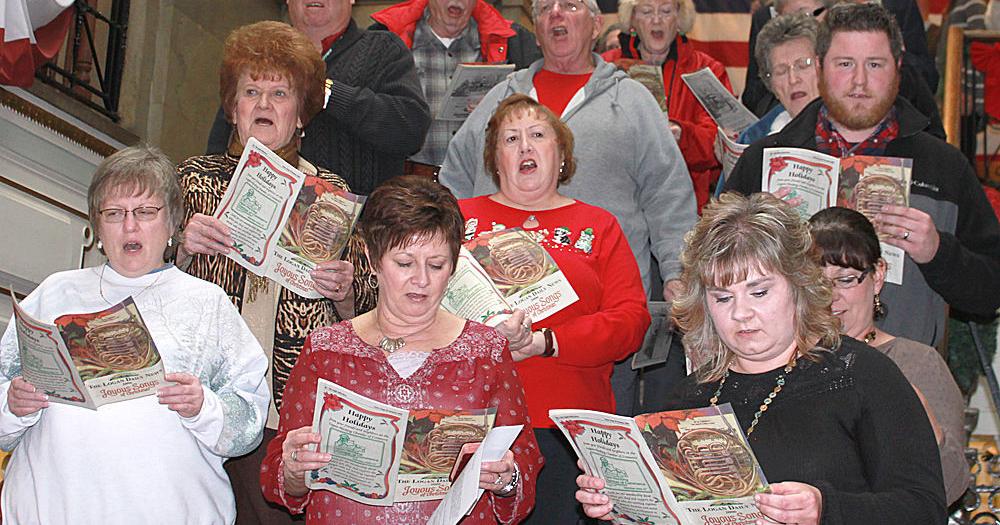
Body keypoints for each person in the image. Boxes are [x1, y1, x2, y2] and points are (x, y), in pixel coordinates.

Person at [576, 192, 947, 525]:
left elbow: (923, 508)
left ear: (799, 286)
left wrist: (826, 510)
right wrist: (623, 508)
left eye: (759, 292)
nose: (741, 314)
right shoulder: (688, 400)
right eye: (722, 298)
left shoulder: (860, 373)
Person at [439, 0, 697, 417]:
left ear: (597, 24)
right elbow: (450, 185)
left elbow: (670, 195)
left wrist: (678, 275)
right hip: (487, 336)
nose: (556, 14)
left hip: (598, 331)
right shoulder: (499, 98)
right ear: (534, 28)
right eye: (544, 9)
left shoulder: (632, 100)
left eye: (571, 5)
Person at [0, 145, 270, 524]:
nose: (130, 226)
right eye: (114, 214)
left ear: (173, 221)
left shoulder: (207, 303)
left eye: (145, 212)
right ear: (96, 225)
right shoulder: (55, 292)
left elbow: (248, 424)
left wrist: (202, 406)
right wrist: (14, 405)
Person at [176, 21, 376, 524]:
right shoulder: (192, 180)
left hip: (289, 407)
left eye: (279, 92)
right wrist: (178, 247)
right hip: (198, 398)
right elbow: (135, 274)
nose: (264, 103)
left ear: (301, 112)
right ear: (233, 108)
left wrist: (347, 293)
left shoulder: (332, 192)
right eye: (251, 91)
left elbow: (373, 306)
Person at [260, 176, 541, 523]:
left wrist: (507, 479)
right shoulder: (327, 349)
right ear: (373, 258)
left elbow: (525, 462)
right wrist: (293, 470)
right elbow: (279, 478)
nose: (421, 280)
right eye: (405, 263)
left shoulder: (486, 351)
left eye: (436, 265)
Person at [724, 2, 1000, 348]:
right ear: (821, 68)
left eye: (874, 64)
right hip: (783, 377)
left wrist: (938, 252)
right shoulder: (763, 161)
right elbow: (716, 273)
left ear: (898, 68)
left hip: (900, 381)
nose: (859, 81)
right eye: (845, 64)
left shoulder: (943, 167)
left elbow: (990, 293)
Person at [459, 94, 651, 523]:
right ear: (495, 159)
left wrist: (546, 342)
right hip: (474, 419)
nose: (525, 146)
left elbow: (630, 322)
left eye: (538, 135)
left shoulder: (599, 225)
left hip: (570, 427)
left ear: (561, 154)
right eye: (510, 139)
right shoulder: (458, 218)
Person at [809, 207, 969, 505]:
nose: (830, 297)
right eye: (817, 283)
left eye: (845, 280)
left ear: (878, 274)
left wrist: (928, 429)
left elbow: (952, 485)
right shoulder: (785, 362)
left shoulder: (916, 363)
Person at [206, 0, 431, 195]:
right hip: (256, 215)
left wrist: (327, 93)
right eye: (253, 92)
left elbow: (410, 130)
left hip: (360, 227)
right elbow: (220, 143)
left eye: (278, 92)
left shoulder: (383, 49)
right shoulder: (257, 54)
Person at [369, 0, 541, 173]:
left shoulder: (512, 41)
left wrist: (504, 109)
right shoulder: (385, 38)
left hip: (481, 180)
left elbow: (540, 113)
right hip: (406, 181)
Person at [601, 0, 732, 210]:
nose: (656, 19)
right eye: (646, 11)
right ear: (632, 20)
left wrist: (681, 134)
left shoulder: (707, 70)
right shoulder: (606, 67)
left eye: (666, 11)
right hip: (618, 200)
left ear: (679, 20)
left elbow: (722, 142)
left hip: (684, 202)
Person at [738, 13, 821, 144]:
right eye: (781, 71)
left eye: (803, 65)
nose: (793, 80)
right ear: (772, 86)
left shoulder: (851, 131)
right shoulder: (753, 139)